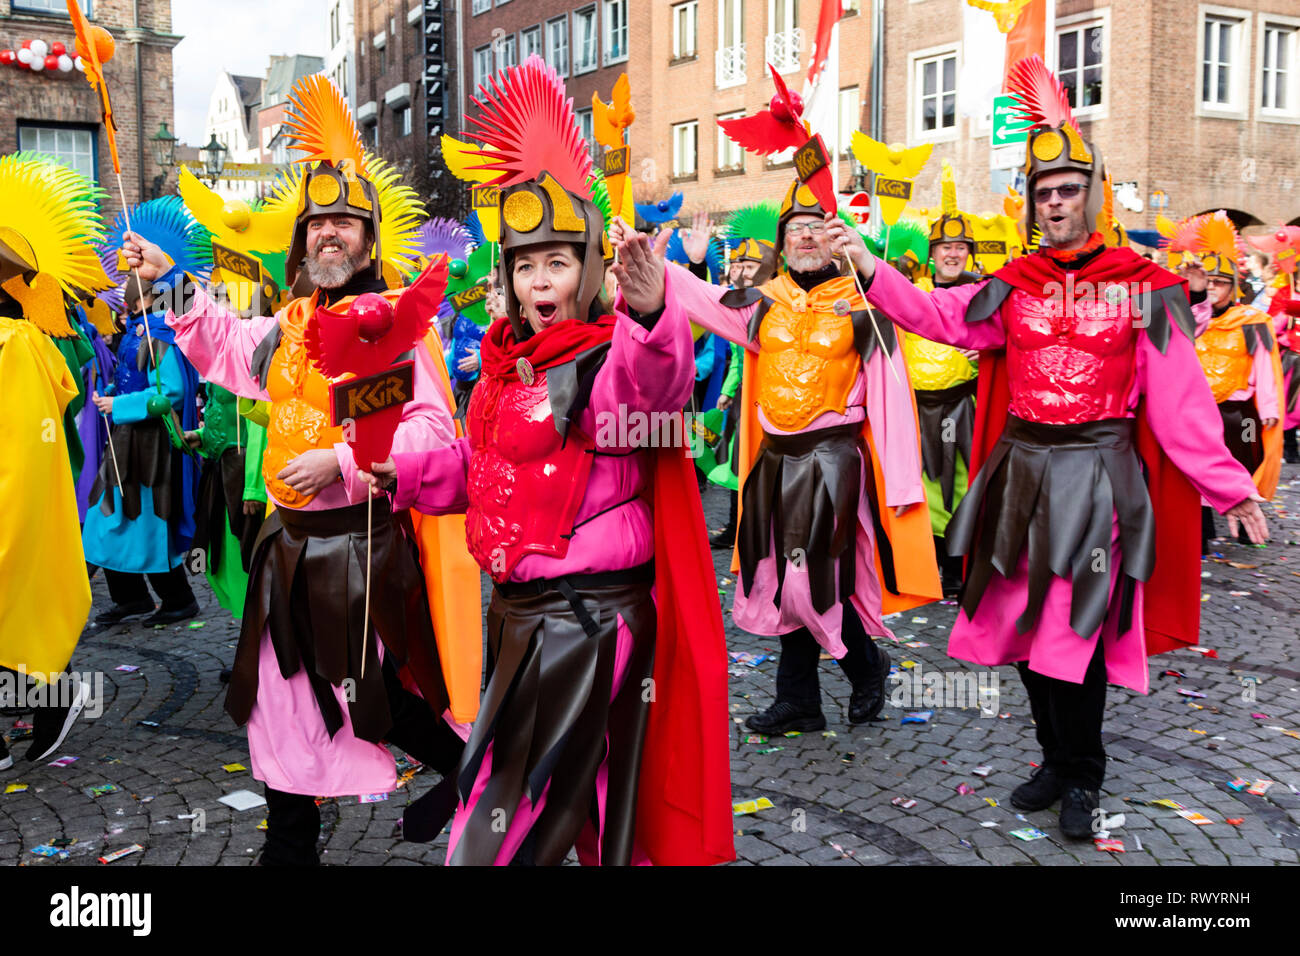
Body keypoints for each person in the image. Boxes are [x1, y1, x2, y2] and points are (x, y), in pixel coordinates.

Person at [853, 56, 1269, 839]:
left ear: (1095, 194)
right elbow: (942, 316)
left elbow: (1181, 405)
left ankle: (1084, 775)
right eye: (1043, 193)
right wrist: (871, 265)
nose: (1055, 203)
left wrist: (1231, 487)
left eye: (1069, 190)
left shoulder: (1146, 287)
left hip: (1098, 477)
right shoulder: (1014, 282)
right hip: (1019, 474)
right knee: (1016, 623)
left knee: (1076, 630)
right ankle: (1051, 756)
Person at [364, 55, 733, 866]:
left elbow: (650, 401)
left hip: (590, 622)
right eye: (526, 264)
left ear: (589, 269)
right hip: (521, 618)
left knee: (506, 822)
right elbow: (481, 471)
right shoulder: (499, 368)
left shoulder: (607, 357)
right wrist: (409, 473)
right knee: (593, 805)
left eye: (558, 262)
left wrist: (652, 314)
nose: (540, 279)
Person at [125, 74, 469, 865]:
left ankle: (474, 768)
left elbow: (425, 433)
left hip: (360, 554)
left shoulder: (394, 333)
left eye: (346, 224)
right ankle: (290, 849)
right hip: (286, 554)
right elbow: (223, 341)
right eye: (319, 224)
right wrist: (168, 274)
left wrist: (345, 458)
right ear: (302, 240)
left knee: (376, 698)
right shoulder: (288, 326)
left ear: (370, 240)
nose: (330, 237)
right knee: (281, 707)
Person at [655, 177, 941, 736]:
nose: (805, 237)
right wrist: (673, 262)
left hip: (832, 459)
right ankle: (801, 700)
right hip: (774, 462)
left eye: (815, 227)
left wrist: (902, 482)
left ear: (836, 236)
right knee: (779, 576)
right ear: (782, 244)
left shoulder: (865, 302)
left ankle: (864, 665)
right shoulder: (762, 303)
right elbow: (697, 299)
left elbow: (889, 389)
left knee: (815, 577)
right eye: (795, 230)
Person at [0, 156, 103, 768]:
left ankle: (53, 701)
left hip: (22, 493)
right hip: (32, 489)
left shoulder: (21, 345)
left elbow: (48, 427)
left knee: (24, 589)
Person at [84, 200, 204, 628]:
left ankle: (176, 599)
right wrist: (114, 392)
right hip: (125, 439)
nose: (131, 309)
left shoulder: (165, 336)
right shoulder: (137, 335)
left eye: (137, 302)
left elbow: (169, 393)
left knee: (145, 522)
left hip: (151, 446)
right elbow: (134, 379)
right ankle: (131, 596)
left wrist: (120, 405)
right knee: (108, 517)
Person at [1181, 218, 1284, 547]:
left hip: (1238, 412)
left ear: (1233, 286)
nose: (1211, 288)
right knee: (1197, 470)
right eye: (1206, 282)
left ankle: (1246, 525)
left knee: (1243, 465)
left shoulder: (1252, 322)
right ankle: (1203, 530)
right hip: (1199, 411)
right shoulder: (1190, 320)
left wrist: (1267, 406)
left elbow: (1266, 365)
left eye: (1219, 283)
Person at [906, 165, 984, 596]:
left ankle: (959, 566)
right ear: (932, 254)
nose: (952, 254)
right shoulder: (911, 294)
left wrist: (990, 356)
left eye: (959, 247)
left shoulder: (984, 295)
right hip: (919, 409)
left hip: (964, 407)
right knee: (925, 487)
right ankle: (931, 565)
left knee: (962, 484)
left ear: (968, 254)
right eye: (944, 247)